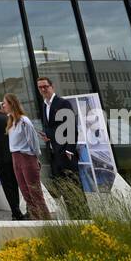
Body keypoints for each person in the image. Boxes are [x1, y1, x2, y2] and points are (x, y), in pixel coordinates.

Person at [36, 76, 81, 212]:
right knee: (64, 190)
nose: (43, 89)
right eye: (40, 87)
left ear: (52, 87)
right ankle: (73, 220)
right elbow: (51, 127)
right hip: (54, 153)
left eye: (45, 86)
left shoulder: (62, 103)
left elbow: (72, 127)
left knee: (74, 190)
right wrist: (47, 136)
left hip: (66, 153)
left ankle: (83, 218)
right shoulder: (44, 105)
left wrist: (69, 151)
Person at [4, 94, 50, 220]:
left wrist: (34, 158)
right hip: (15, 157)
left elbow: (33, 142)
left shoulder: (24, 121)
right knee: (25, 192)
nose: (3, 105)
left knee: (35, 193)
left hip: (27, 157)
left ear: (11, 104)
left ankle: (47, 221)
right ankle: (35, 220)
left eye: (5, 103)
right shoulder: (11, 122)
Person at [0, 101, 25, 220]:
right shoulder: (9, 118)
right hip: (12, 155)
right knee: (14, 183)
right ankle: (16, 210)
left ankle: (15, 211)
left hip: (1, 158)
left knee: (7, 186)